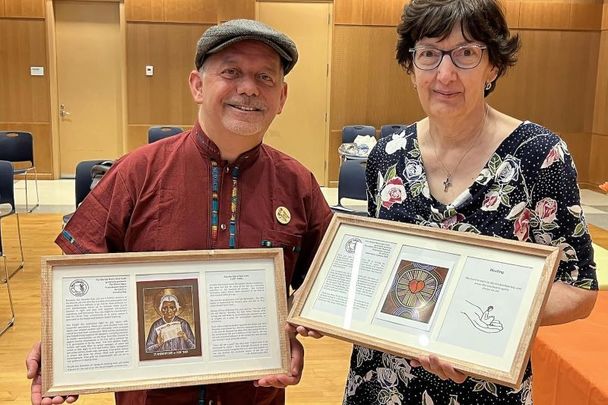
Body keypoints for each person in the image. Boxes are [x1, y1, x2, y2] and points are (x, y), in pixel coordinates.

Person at [26, 19, 333, 405]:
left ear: (282, 97)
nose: (249, 88)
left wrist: (291, 327)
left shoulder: (297, 184)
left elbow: (327, 281)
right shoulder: (137, 172)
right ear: (198, 86)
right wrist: (62, 346)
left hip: (254, 395)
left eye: (265, 77)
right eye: (231, 72)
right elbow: (83, 284)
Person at [339, 0, 597, 403]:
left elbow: (579, 290)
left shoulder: (539, 155)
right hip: (382, 380)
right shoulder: (386, 155)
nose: (445, 73)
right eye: (428, 53)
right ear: (411, 66)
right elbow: (379, 265)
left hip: (482, 384)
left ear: (493, 65)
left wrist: (468, 325)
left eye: (465, 54)